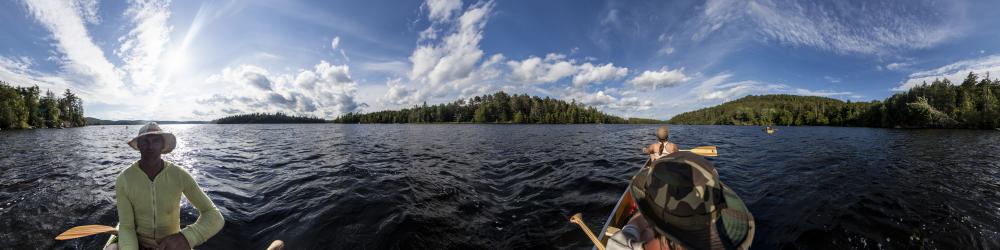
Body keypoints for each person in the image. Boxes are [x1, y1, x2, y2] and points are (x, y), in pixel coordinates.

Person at [105, 122, 224, 250]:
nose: (150, 146)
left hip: (172, 244)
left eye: (156, 141)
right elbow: (127, 227)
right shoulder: (124, 179)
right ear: (139, 145)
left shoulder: (179, 175)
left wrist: (187, 237)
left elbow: (214, 215)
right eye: (145, 141)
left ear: (162, 145)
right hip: (138, 241)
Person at [607, 151, 755, 250]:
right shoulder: (673, 147)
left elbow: (615, 243)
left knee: (644, 231)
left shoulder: (618, 245)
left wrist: (644, 212)